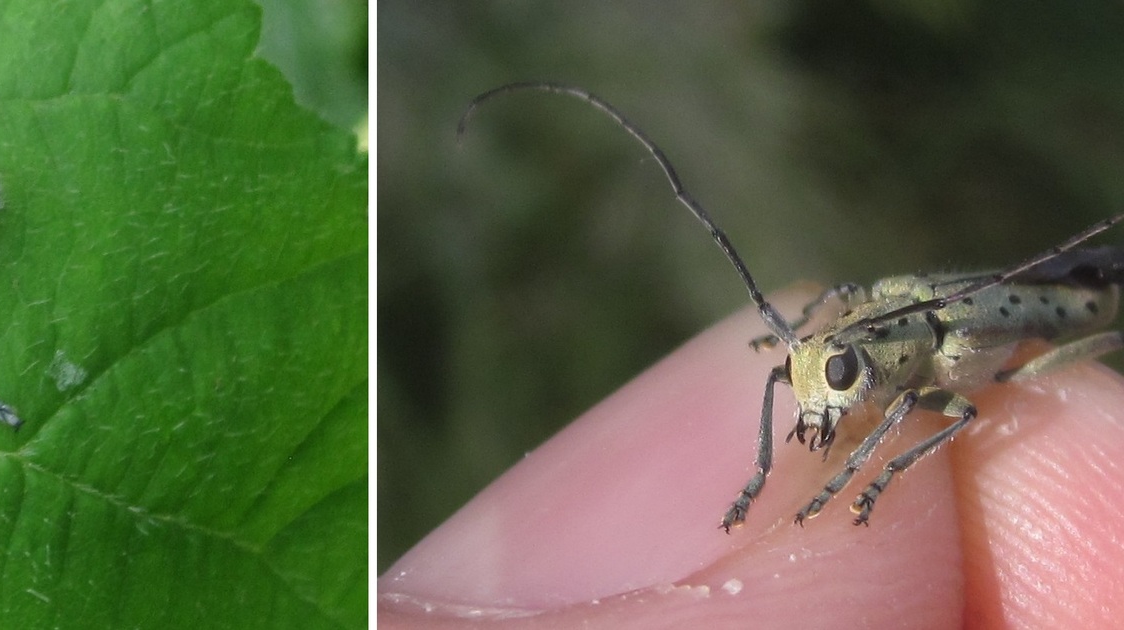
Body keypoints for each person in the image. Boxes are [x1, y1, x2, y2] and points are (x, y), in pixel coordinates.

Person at [379, 291, 1124, 628]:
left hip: (1048, 311)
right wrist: (798, 343)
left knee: (952, 403)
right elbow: (840, 298)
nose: (818, 410)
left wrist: (870, 478)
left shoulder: (912, 378)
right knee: (790, 372)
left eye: (830, 385)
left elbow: (936, 410)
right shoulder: (855, 339)